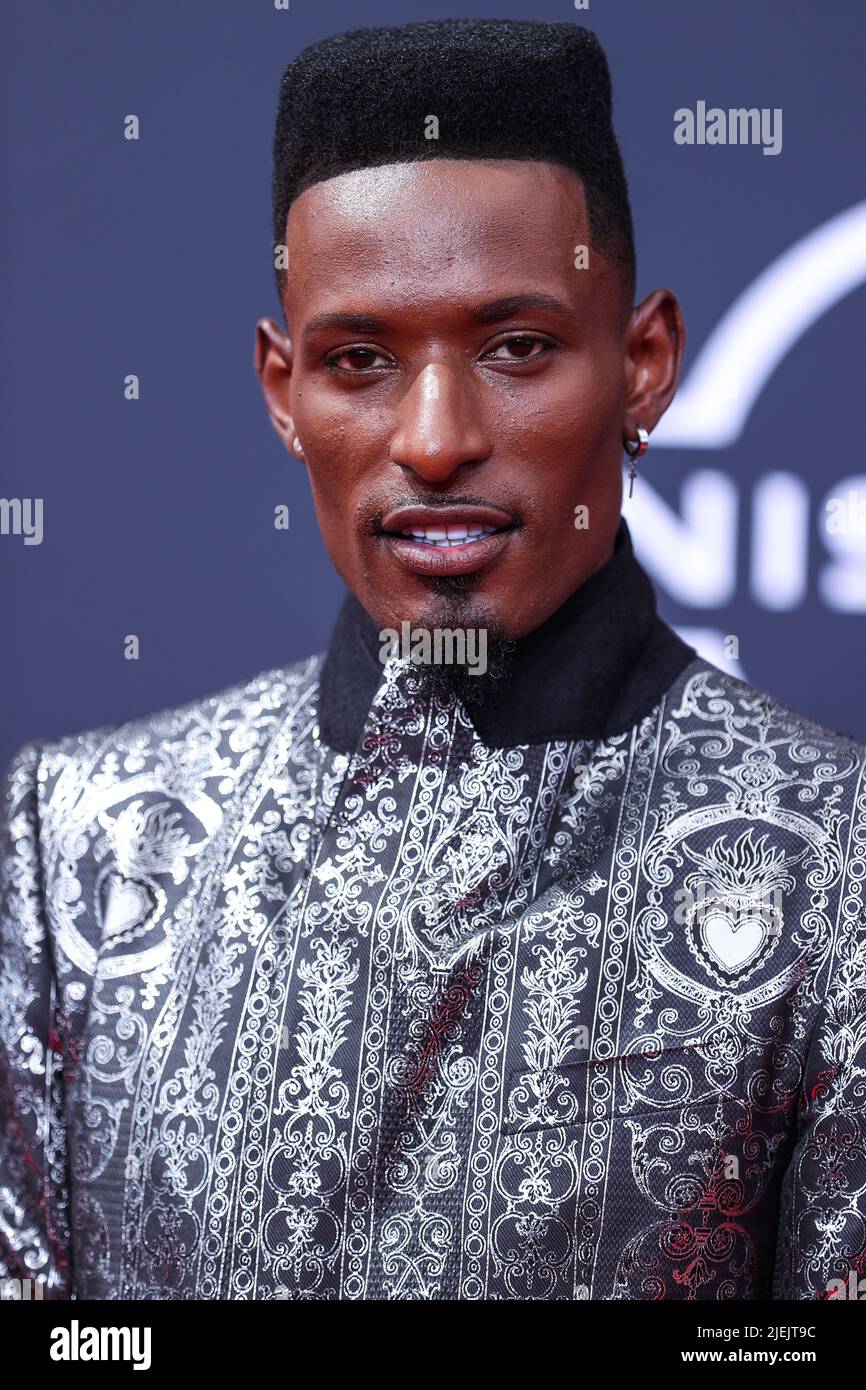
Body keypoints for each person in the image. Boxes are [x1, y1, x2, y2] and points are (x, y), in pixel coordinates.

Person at [1, 18, 864, 1302]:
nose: (434, 436)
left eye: (515, 347)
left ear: (642, 365)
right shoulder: (84, 838)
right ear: (281, 391)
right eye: (359, 360)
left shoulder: (836, 862)